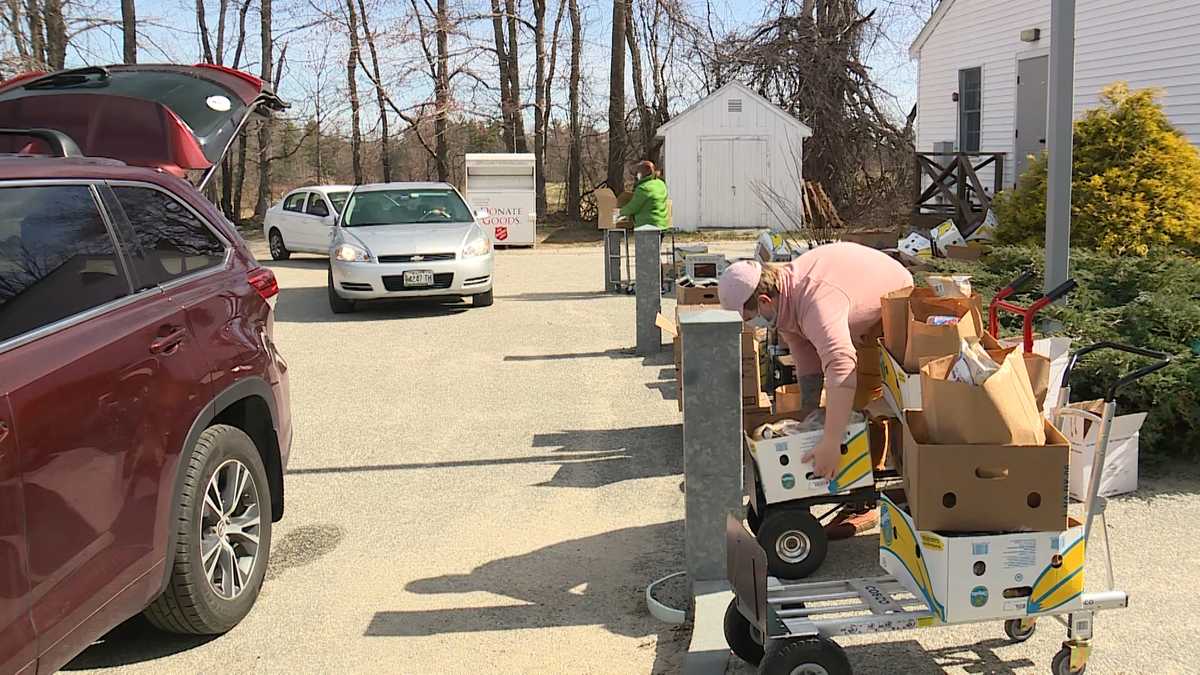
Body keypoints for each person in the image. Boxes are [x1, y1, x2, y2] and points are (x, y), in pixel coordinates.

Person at [718, 243, 913, 536]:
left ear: (763, 301)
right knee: (838, 409)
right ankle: (860, 483)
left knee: (861, 402)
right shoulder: (782, 301)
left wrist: (831, 442)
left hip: (893, 297)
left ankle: (866, 501)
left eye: (749, 317)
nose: (751, 325)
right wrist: (809, 420)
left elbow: (841, 367)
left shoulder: (815, 302)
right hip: (851, 292)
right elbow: (805, 357)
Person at [618, 160, 669, 230]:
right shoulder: (661, 184)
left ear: (641, 174)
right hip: (662, 224)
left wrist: (619, 212)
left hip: (647, 225)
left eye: (637, 172)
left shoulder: (643, 188)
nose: (636, 175)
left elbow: (633, 207)